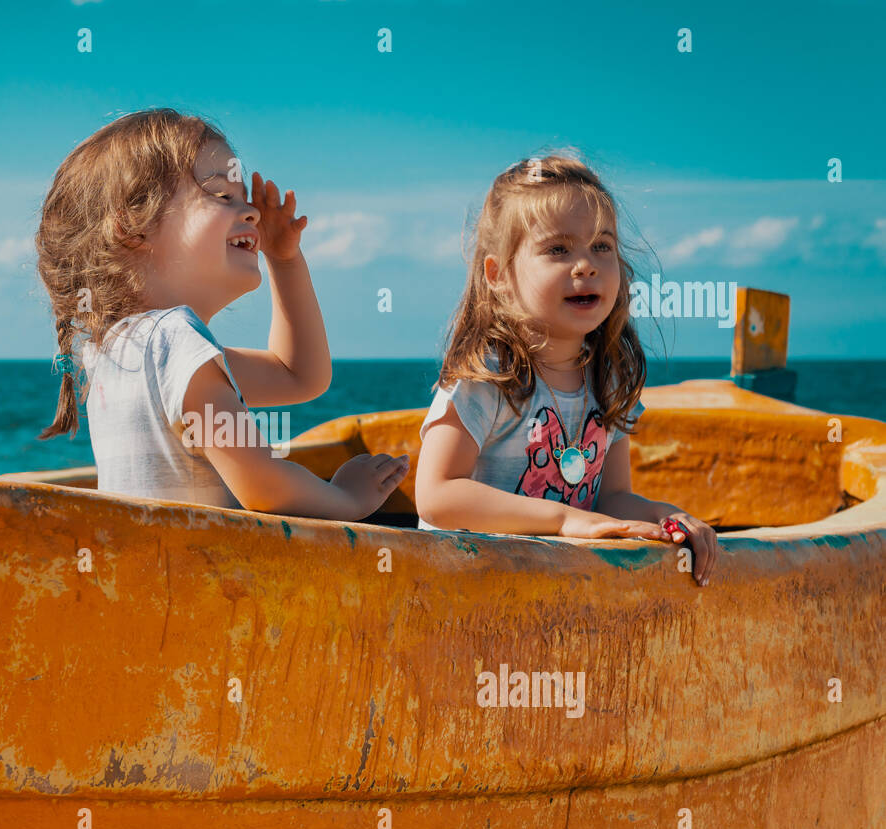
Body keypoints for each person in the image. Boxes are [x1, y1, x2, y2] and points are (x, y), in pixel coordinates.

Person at [35, 108, 407, 519]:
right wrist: (348, 497)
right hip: (203, 578)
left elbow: (297, 374)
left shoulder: (121, 350)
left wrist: (283, 259)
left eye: (245, 199)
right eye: (222, 196)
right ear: (133, 226)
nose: (251, 212)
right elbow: (262, 486)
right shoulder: (174, 339)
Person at [414, 154, 719, 585]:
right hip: (462, 587)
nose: (586, 264)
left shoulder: (608, 380)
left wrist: (662, 515)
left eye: (602, 246)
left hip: (551, 592)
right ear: (498, 274)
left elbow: (611, 497)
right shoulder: (489, 374)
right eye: (558, 249)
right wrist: (563, 520)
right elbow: (437, 494)